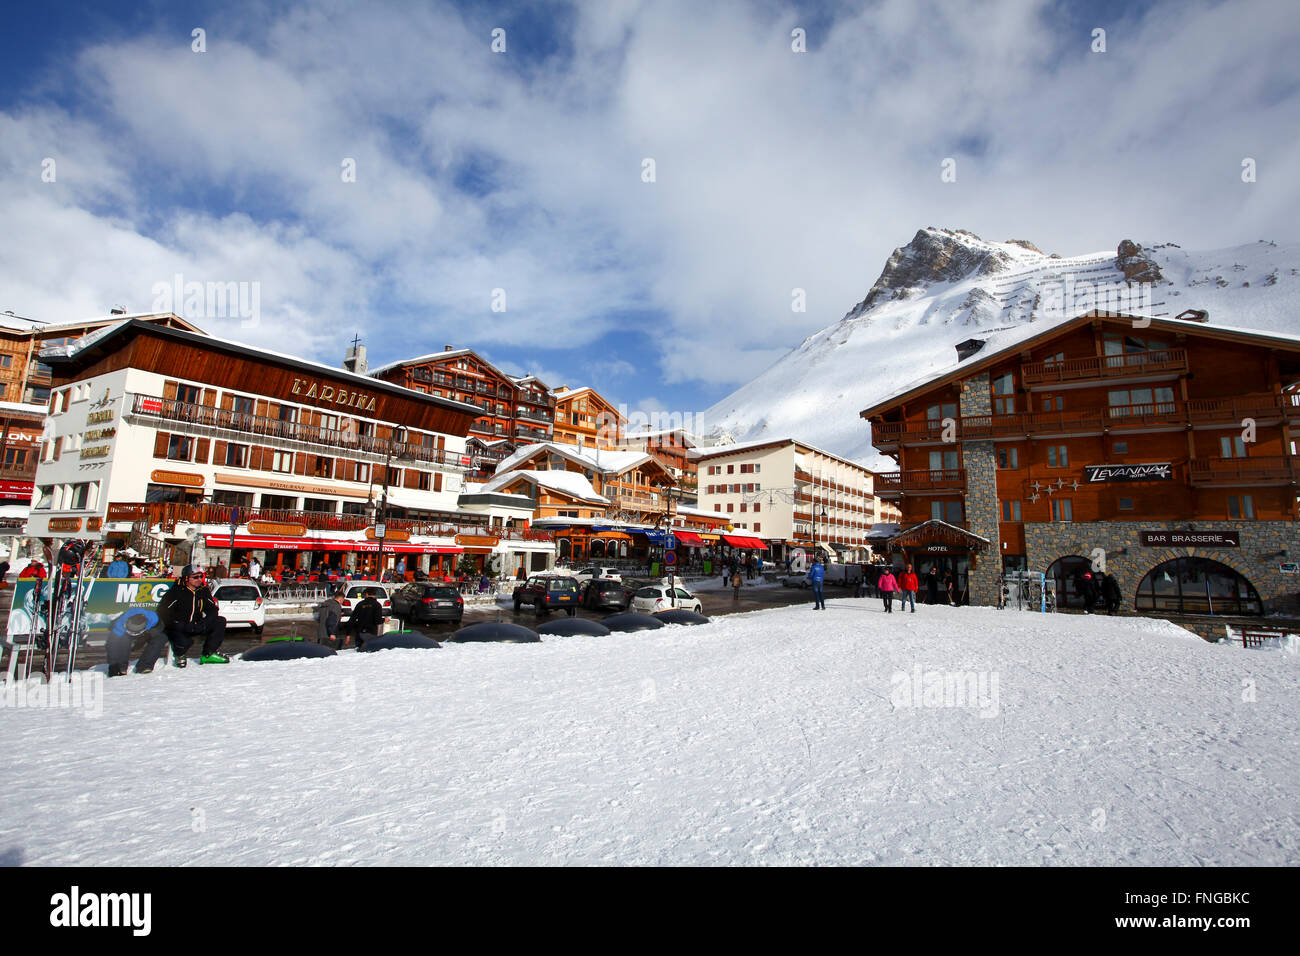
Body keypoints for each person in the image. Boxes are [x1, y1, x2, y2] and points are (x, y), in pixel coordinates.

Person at [157, 565, 229, 666]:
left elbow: (212, 609)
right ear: (186, 578)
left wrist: (204, 623)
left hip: (196, 624)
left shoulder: (203, 591)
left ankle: (208, 653)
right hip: (180, 626)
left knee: (220, 621)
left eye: (200, 577)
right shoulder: (176, 591)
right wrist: (177, 624)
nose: (199, 579)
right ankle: (180, 654)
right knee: (184, 641)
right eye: (195, 577)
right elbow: (163, 611)